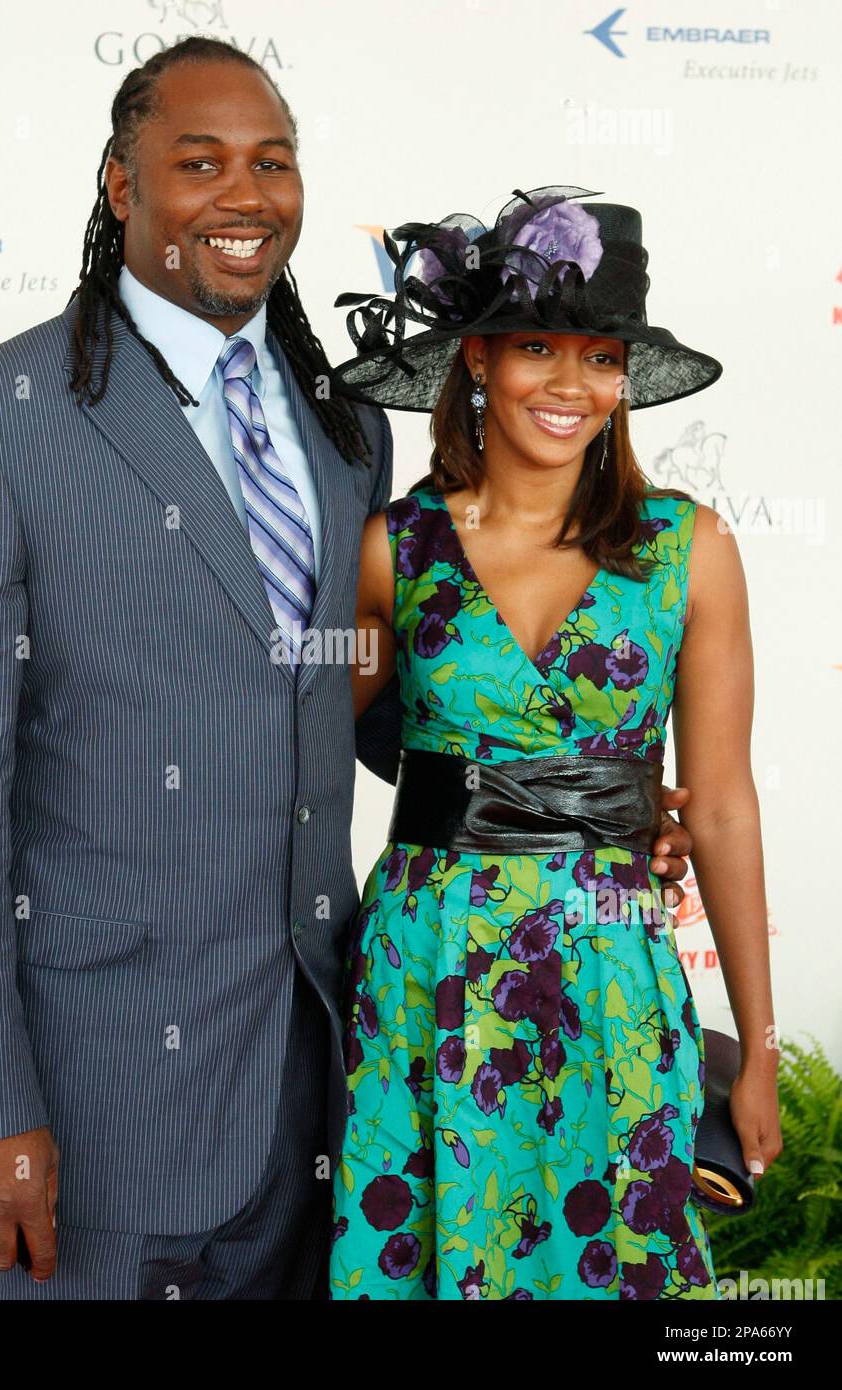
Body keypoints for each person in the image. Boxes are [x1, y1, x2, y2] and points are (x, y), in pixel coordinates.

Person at [0, 39, 694, 1301]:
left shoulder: (341, 424)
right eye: (197, 162)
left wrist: (572, 795)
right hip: (91, 1111)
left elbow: (343, 706)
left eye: (273, 163)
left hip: (330, 1084)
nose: (243, 196)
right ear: (119, 186)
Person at [328, 186, 781, 1300]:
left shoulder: (687, 548)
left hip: (612, 964)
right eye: (537, 347)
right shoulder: (392, 548)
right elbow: (284, 753)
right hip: (427, 965)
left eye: (598, 357)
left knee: (609, 1256)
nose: (569, 385)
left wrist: (757, 1044)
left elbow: (718, 804)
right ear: (478, 359)